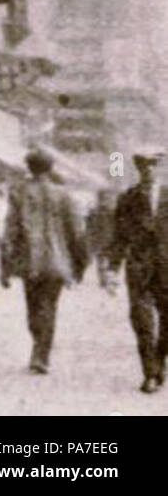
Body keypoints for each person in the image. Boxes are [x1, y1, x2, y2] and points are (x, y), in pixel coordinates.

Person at [0, 147, 89, 375]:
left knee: (34, 309)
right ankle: (41, 353)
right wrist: (80, 264)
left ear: (29, 168)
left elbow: (10, 231)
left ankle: (39, 353)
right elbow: (77, 233)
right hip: (57, 262)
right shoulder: (64, 194)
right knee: (48, 307)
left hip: (31, 263)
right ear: (51, 168)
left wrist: (6, 264)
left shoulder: (19, 193)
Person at [107, 149, 168, 393]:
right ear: (138, 169)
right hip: (138, 267)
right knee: (142, 322)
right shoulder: (128, 199)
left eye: (154, 165)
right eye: (144, 166)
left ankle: (160, 360)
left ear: (162, 167)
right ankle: (150, 373)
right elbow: (119, 237)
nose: (149, 170)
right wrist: (112, 268)